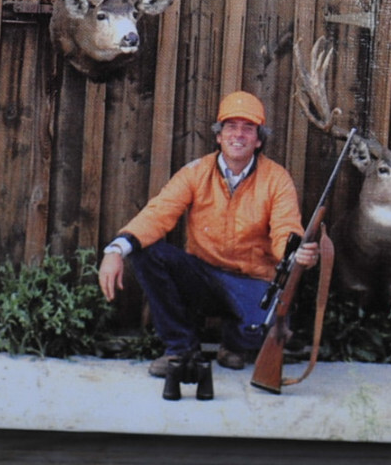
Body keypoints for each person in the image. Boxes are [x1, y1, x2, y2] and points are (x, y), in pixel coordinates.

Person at [97, 90, 319, 376]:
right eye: (230, 126)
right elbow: (158, 213)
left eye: (248, 128)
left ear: (259, 139)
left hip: (252, 281)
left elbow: (286, 229)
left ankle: (235, 342)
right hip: (204, 277)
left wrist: (296, 254)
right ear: (218, 135)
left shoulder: (277, 179)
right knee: (148, 252)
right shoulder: (195, 172)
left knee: (251, 338)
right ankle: (180, 350)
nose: (238, 135)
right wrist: (115, 250)